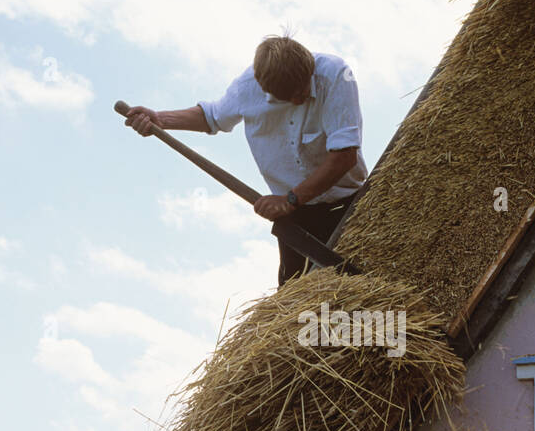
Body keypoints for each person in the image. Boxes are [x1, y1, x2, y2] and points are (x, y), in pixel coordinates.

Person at [124, 35, 367, 286]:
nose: (299, 100)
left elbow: (344, 156)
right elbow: (211, 117)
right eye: (290, 97)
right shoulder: (247, 87)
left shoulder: (336, 75)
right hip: (296, 219)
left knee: (369, 283)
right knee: (295, 305)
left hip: (348, 203)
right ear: (263, 87)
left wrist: (290, 199)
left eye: (303, 91)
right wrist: (161, 120)